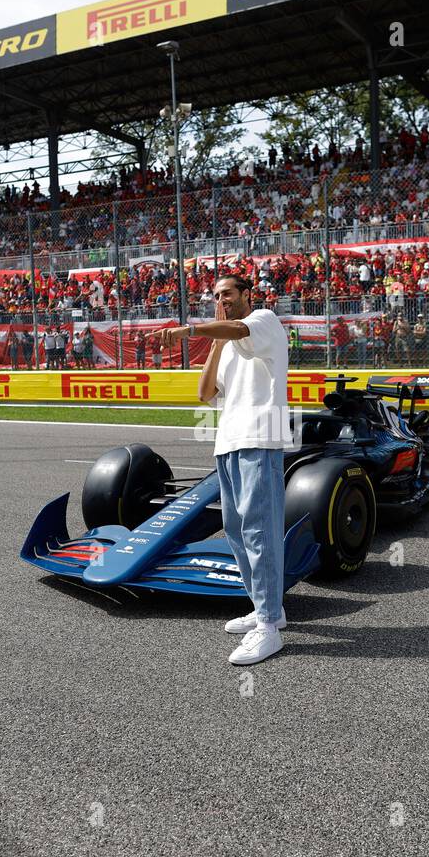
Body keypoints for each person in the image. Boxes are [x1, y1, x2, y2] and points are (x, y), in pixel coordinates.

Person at [152, 275, 289, 666]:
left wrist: (190, 330)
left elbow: (239, 328)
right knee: (235, 530)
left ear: (247, 295)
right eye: (215, 296)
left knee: (258, 530)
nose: (221, 300)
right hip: (228, 444)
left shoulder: (264, 320)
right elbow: (204, 392)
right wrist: (213, 342)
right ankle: (269, 609)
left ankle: (268, 626)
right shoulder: (226, 342)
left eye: (227, 293)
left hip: (260, 439)